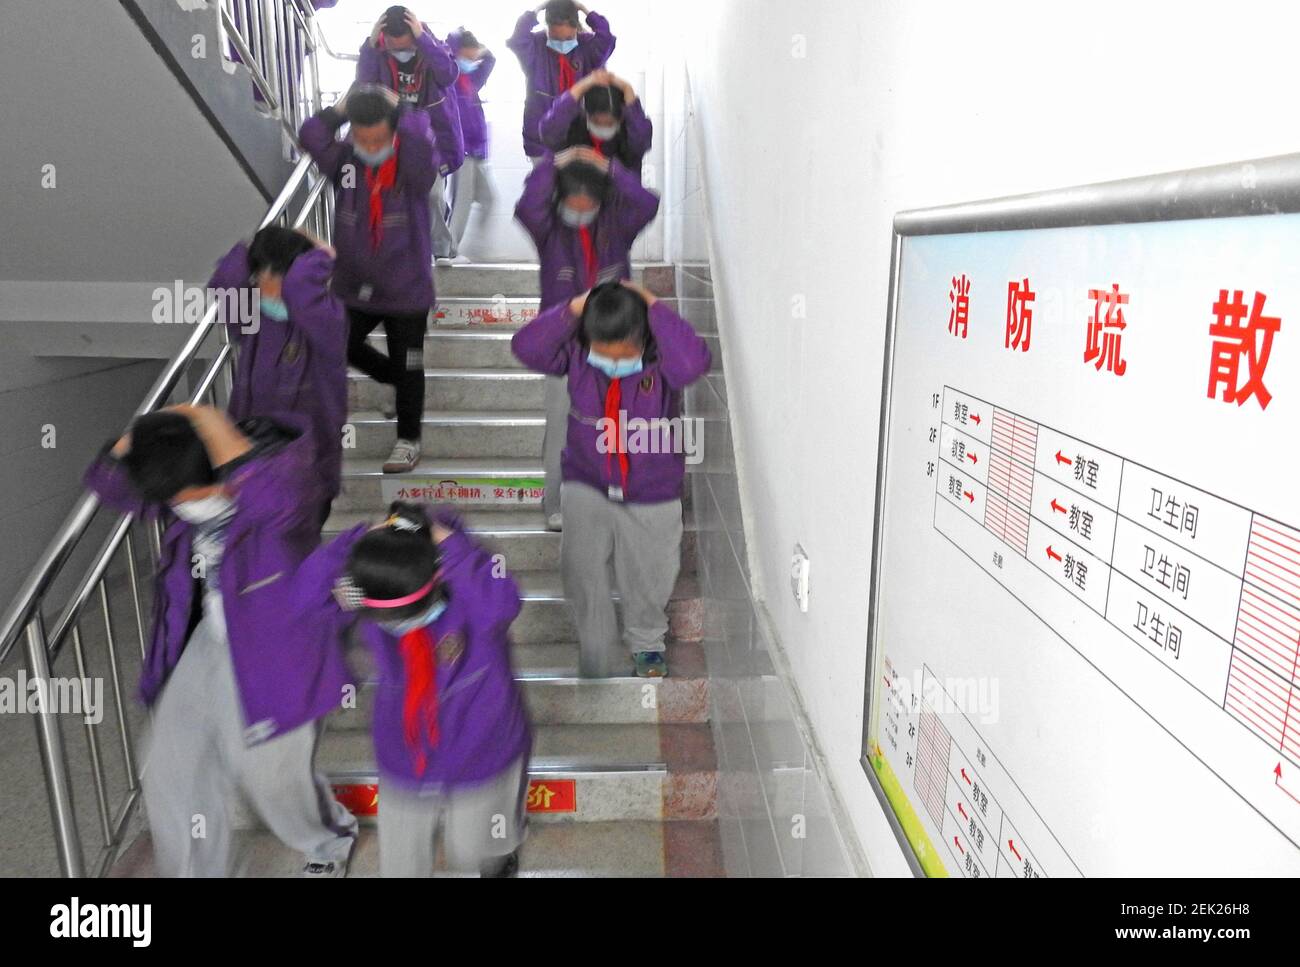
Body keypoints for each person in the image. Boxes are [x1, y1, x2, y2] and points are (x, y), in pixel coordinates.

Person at [83, 406, 358, 876]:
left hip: (275, 649)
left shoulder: (281, 483)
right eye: (178, 501)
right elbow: (109, 485)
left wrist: (209, 422)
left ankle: (330, 839)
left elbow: (280, 494)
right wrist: (136, 438)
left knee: (270, 777)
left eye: (197, 496)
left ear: (222, 462)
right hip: (211, 637)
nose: (187, 507)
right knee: (170, 764)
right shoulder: (180, 476)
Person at [291, 502, 530, 877]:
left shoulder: (470, 591)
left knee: (474, 853)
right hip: (405, 751)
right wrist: (359, 542)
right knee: (401, 865)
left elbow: (504, 603)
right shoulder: (374, 585)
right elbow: (304, 602)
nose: (393, 626)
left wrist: (449, 544)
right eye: (382, 617)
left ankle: (500, 855)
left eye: (403, 615)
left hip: (481, 745)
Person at [511, 283, 711, 678]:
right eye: (604, 353)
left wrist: (652, 305)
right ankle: (594, 641)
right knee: (581, 567)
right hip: (587, 482)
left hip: (652, 491)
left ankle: (647, 643)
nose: (612, 362)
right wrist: (572, 308)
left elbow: (694, 363)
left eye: (623, 354)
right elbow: (527, 347)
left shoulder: (662, 365)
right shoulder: (576, 357)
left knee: (651, 573)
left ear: (643, 341)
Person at [515, 146, 660, 528]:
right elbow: (527, 206)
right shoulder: (548, 230)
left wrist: (610, 166)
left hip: (617, 342)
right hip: (565, 347)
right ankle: (556, 503)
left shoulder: (616, 226)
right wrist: (553, 163)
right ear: (560, 199)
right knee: (562, 424)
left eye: (587, 207)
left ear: (600, 202)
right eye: (572, 206)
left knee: (618, 419)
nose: (579, 215)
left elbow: (646, 204)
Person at [300, 84, 437, 474]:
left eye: (377, 137)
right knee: (335, 341)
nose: (369, 144)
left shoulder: (411, 169)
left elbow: (424, 141)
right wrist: (342, 109)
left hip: (406, 291)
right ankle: (399, 380)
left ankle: (408, 441)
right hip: (353, 288)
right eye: (361, 137)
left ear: (393, 132)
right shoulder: (345, 165)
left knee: (410, 363)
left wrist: (403, 107)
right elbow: (311, 133)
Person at [207, 227, 348, 532]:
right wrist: (255, 248)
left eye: (275, 278)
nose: (263, 287)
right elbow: (226, 279)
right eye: (259, 278)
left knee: (295, 549)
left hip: (309, 469)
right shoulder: (253, 319)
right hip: (253, 464)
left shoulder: (327, 320)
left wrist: (324, 254)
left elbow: (300, 289)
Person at [357, 5, 465, 262]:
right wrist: (371, 47)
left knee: (434, 195)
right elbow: (364, 84)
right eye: (394, 47)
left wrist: (424, 42)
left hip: (431, 138)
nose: (401, 52)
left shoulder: (432, 47)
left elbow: (449, 75)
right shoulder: (378, 51)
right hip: (392, 138)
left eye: (406, 46)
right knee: (393, 198)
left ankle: (441, 252)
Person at [507, 1, 615, 164]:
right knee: (544, 187)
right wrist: (536, 10)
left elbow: (606, 38)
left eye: (569, 38)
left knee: (577, 188)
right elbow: (518, 38)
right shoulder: (535, 47)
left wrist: (586, 11)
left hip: (578, 140)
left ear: (576, 29)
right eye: (556, 38)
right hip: (541, 140)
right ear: (547, 29)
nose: (562, 43)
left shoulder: (586, 47)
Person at [539, 69, 652, 175]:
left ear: (621, 118)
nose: (603, 128)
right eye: (596, 122)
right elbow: (548, 131)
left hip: (616, 194)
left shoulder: (630, 135)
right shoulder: (574, 128)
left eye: (609, 123)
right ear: (586, 114)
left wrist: (627, 89)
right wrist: (583, 85)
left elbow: (641, 140)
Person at [446, 28, 497, 258]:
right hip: (460, 150)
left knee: (488, 199)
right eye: (466, 57)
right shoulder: (448, 78)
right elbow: (444, 51)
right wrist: (457, 46)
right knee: (462, 204)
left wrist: (477, 52)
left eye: (472, 57)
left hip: (476, 151)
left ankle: (472, 253)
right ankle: (448, 251)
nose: (470, 61)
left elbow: (490, 59)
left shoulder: (470, 80)